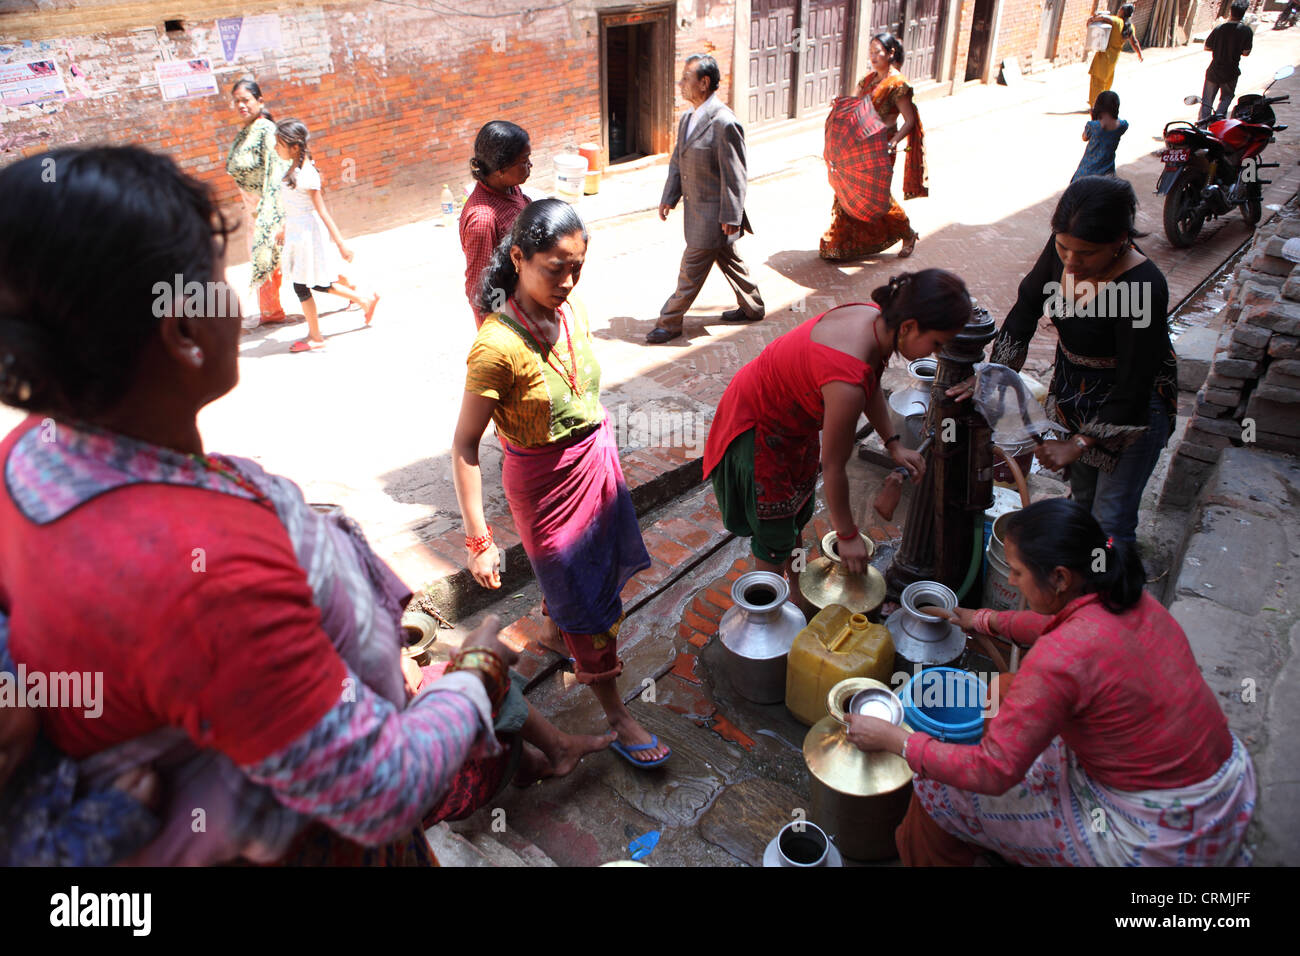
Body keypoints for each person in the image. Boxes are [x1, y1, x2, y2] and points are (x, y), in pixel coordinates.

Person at [0, 146, 611, 866]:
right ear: (182, 330)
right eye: (214, 278)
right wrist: (480, 667)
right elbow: (383, 789)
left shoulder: (30, 457)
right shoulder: (205, 581)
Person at [844, 498, 1256, 866]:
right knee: (1003, 690)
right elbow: (1056, 624)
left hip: (1154, 832)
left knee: (935, 790)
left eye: (1019, 573)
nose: (1011, 582)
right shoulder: (1128, 598)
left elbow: (994, 771)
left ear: (1059, 578)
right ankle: (991, 836)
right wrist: (980, 619)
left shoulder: (1062, 657)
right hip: (1216, 780)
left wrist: (897, 740)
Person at [453, 199, 671, 767]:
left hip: (594, 465)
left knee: (581, 586)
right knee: (590, 609)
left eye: (577, 267)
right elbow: (463, 446)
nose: (568, 282)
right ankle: (619, 714)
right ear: (519, 257)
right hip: (545, 490)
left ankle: (555, 629)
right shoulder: (495, 347)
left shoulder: (572, 311)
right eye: (556, 268)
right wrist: (479, 539)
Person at [703, 270, 971, 608]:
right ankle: (767, 619)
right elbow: (834, 467)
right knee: (773, 536)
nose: (936, 354)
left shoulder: (876, 322)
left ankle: (798, 594)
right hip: (758, 428)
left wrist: (893, 442)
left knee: (795, 515)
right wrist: (846, 535)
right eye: (936, 343)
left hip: (793, 423)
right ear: (908, 327)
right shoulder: (846, 378)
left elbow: (869, 381)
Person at [950, 176, 1176, 546]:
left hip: (1131, 413)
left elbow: (1135, 383)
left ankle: (1109, 592)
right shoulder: (1064, 250)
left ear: (1120, 240)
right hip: (1076, 396)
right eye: (1063, 247)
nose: (1070, 262)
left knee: (1112, 522)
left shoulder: (1143, 288)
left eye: (1086, 254)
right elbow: (1025, 311)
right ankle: (1076, 583)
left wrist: (1080, 444)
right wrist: (992, 376)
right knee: (1083, 500)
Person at [646, 54, 764, 345]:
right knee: (730, 260)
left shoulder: (724, 123)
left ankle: (669, 321)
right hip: (696, 210)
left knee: (690, 271)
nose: (680, 84)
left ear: (704, 82)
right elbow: (678, 161)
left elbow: (735, 176)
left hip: (714, 216)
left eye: (686, 78)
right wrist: (669, 197)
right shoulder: (688, 117)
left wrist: (731, 217)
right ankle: (754, 307)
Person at [273, 120, 379, 353]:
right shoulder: (291, 169)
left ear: (295, 147)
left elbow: (322, 211)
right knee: (311, 284)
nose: (275, 148)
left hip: (308, 236)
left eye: (279, 144)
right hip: (296, 233)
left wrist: (341, 244)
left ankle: (316, 335)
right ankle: (363, 300)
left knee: (307, 284)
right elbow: (291, 204)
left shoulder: (307, 173)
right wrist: (283, 227)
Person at [820, 33, 926, 261]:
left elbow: (909, 120)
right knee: (847, 191)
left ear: (890, 53)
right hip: (860, 145)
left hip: (883, 146)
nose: (874, 57)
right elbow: (856, 106)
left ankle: (907, 233)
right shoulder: (868, 80)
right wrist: (840, 103)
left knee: (877, 196)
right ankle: (842, 243)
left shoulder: (897, 84)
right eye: (871, 52)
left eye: (878, 52)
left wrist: (894, 141)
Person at [225, 79, 287, 326]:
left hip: (268, 211)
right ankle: (271, 312)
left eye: (246, 100)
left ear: (260, 101)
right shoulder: (245, 133)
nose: (241, 105)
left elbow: (275, 173)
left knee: (294, 258)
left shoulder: (266, 131)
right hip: (252, 213)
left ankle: (354, 293)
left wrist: (272, 215)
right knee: (265, 262)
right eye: (237, 101)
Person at [461, 121, 532, 328]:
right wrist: (502, 325)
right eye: (524, 161)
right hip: (509, 318)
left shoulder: (510, 188)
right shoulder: (482, 219)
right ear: (500, 168)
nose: (530, 165)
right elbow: (481, 286)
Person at [1200, 0, 1253, 121]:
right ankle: (1218, 122)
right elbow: (1246, 52)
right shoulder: (1246, 31)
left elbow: (1207, 47)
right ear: (1243, 13)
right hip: (1231, 71)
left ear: (1231, 11)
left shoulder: (1220, 28)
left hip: (1214, 70)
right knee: (1226, 98)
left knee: (1207, 101)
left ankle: (1203, 124)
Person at [1087, 4, 1142, 109]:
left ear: (1122, 11)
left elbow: (1105, 18)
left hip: (1104, 55)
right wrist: (1139, 53)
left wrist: (1094, 19)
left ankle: (1095, 104)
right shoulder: (1130, 27)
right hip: (1114, 57)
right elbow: (1134, 41)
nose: (1118, 10)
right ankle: (1102, 102)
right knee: (1107, 80)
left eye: (1120, 9)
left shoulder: (1117, 22)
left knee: (1097, 81)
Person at [1071, 90, 1128, 182]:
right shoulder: (1123, 125)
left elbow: (1084, 137)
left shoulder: (1093, 125)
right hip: (1107, 172)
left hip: (1087, 171)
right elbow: (1120, 123)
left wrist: (1094, 118)